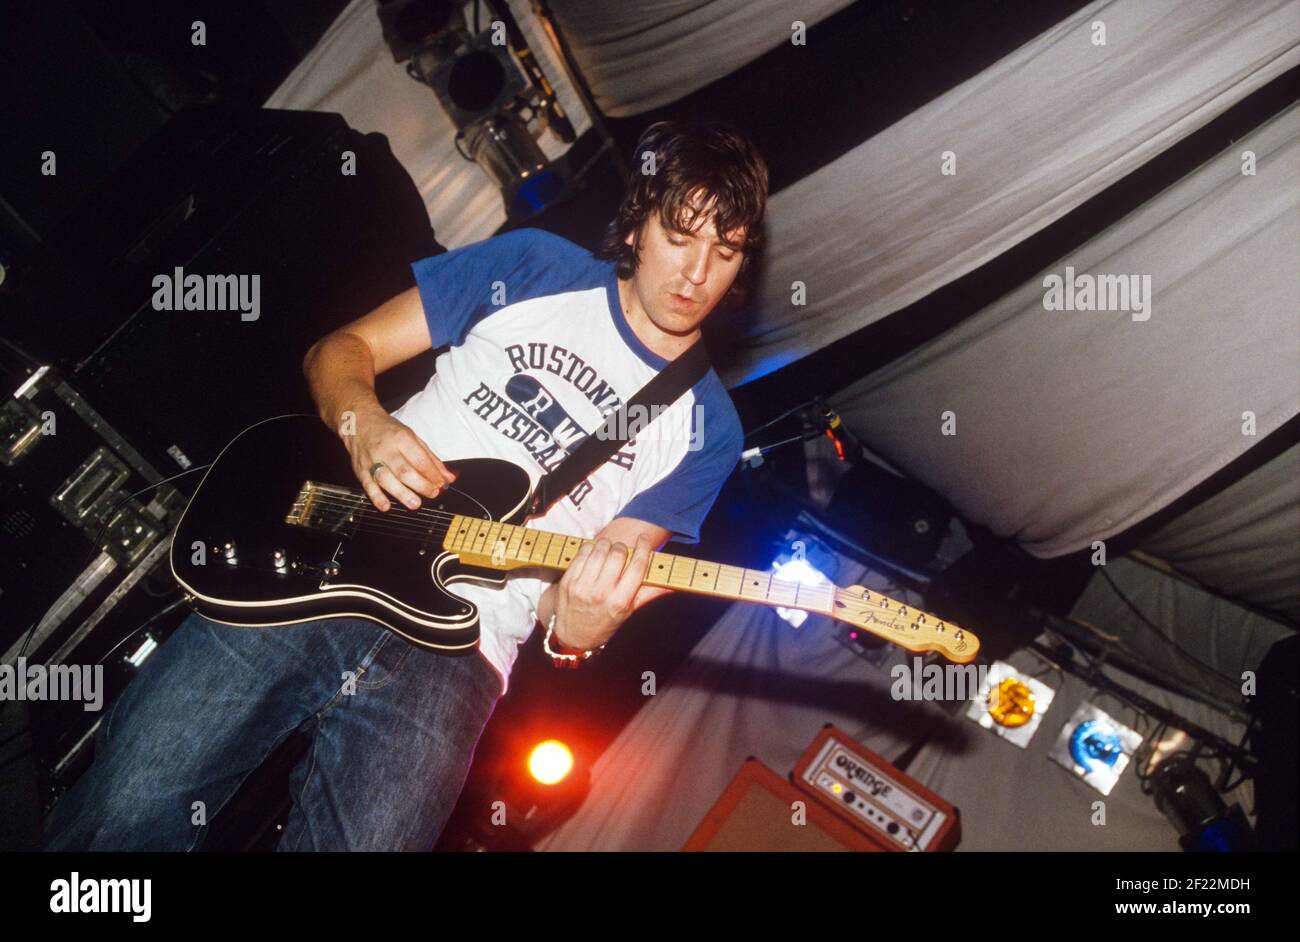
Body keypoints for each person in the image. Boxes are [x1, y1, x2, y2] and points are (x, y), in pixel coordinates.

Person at [41, 120, 769, 851]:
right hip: (325, 561)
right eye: (681, 236)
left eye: (726, 251)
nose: (698, 273)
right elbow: (340, 351)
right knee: (126, 807)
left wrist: (579, 632)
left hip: (463, 655)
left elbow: (573, 593)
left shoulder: (711, 427)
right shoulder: (535, 266)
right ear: (640, 222)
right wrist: (368, 425)